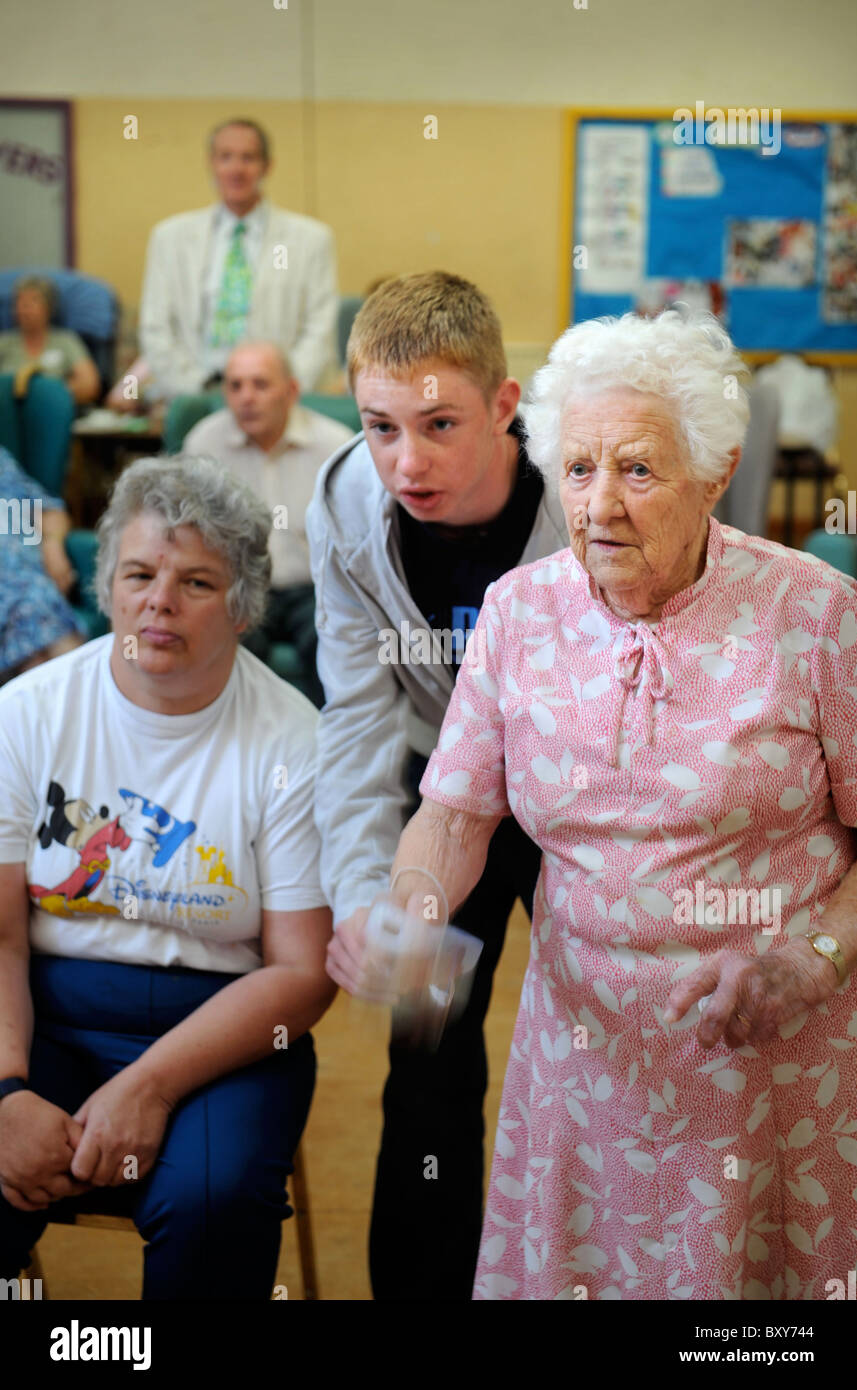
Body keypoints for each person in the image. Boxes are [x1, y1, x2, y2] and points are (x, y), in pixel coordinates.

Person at [329, 307, 857, 1301]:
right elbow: (453, 814)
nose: (601, 505)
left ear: (715, 473)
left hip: (768, 1063)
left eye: (638, 470)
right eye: (577, 470)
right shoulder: (519, 612)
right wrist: (409, 906)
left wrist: (816, 955)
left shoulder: (816, 613)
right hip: (584, 1068)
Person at [0, 456, 334, 1300]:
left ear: (245, 606)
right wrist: (6, 1090)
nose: (159, 600)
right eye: (140, 574)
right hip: (46, 1010)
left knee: (213, 1202)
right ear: (107, 584)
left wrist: (147, 1086)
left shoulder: (294, 740)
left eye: (196, 582)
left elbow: (301, 973)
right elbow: (1, 931)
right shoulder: (26, 713)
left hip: (225, 1030)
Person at [307, 270, 569, 1300]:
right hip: (436, 794)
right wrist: (366, 890)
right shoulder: (340, 497)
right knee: (424, 1077)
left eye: (439, 423)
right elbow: (358, 713)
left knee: (608, 1052)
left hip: (576, 802)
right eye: (379, 425)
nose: (405, 461)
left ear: (506, 407)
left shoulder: (582, 494)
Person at [183, 341, 353, 704]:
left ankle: (329, 753)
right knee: (232, 643)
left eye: (260, 385)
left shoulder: (335, 445)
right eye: (235, 386)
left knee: (331, 645)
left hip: (316, 590)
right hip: (240, 588)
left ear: (291, 391)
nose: (246, 398)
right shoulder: (204, 443)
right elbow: (187, 534)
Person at [139, 119, 339, 399]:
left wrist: (280, 390)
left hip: (282, 399)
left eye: (248, 158)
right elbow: (156, 328)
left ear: (267, 166)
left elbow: (320, 328)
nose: (236, 169)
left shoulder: (311, 239)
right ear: (211, 163)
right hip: (195, 394)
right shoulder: (169, 238)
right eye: (226, 157)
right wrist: (197, 389)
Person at [0, 445, 85, 683]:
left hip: (30, 580)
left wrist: (53, 545)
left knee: (37, 661)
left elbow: (49, 510)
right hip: (23, 591)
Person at [0, 277, 100, 404]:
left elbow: (89, 386)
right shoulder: (4, 342)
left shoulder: (66, 341)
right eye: (19, 302)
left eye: (33, 301)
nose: (24, 309)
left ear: (49, 308)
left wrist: (47, 393)